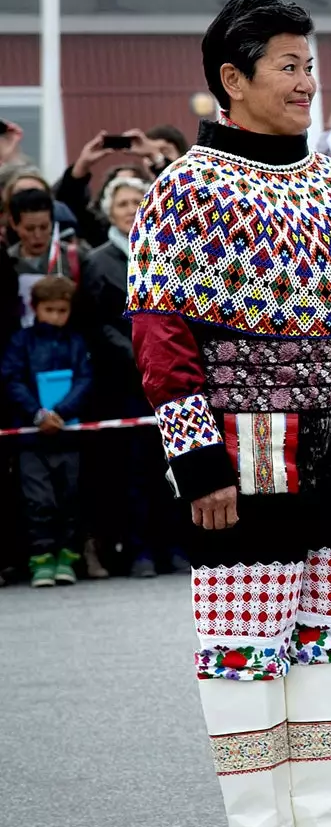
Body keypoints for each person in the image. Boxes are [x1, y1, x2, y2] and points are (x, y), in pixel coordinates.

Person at [127, 0, 331, 827]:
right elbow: (160, 331)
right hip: (245, 452)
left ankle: (323, 820)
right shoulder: (185, 187)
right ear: (234, 77)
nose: (307, 82)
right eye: (289, 66)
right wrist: (196, 455)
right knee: (244, 641)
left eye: (310, 65)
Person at [82, 175, 184, 579]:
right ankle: (140, 550)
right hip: (124, 384)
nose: (130, 209)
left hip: (169, 383)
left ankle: (175, 546)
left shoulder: (166, 253)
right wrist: (139, 355)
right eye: (122, 202)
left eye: (136, 201)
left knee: (173, 467)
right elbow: (96, 324)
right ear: (110, 210)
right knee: (133, 474)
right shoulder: (98, 260)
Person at [4, 275, 91, 587]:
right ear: (35, 307)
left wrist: (61, 412)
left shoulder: (76, 341)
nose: (56, 316)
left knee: (69, 496)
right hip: (32, 437)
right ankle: (41, 559)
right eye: (49, 310)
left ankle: (67, 557)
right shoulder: (21, 342)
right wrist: (37, 413)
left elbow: (84, 379)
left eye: (62, 310)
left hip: (68, 433)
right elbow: (12, 380)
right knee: (38, 500)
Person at [9, 189, 81, 326]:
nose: (37, 235)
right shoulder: (7, 263)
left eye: (44, 227)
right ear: (14, 224)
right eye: (29, 229)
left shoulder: (74, 257)